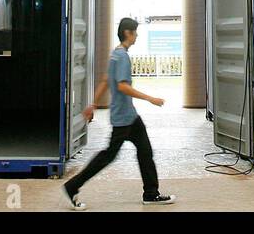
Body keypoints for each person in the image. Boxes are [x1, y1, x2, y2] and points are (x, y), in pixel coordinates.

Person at [63, 17, 175, 209]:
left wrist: (93, 103)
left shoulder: (115, 53)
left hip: (129, 116)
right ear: (127, 33)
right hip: (124, 118)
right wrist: (151, 98)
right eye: (135, 32)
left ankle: (151, 193)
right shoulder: (122, 56)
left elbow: (106, 80)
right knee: (109, 155)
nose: (137, 36)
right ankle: (73, 186)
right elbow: (122, 86)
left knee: (145, 151)